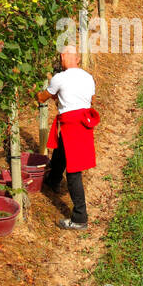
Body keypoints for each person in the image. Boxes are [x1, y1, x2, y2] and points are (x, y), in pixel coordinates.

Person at [38, 46, 99, 230]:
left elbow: (42, 97)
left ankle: (80, 218)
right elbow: (92, 100)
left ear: (64, 57)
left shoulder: (59, 78)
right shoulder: (88, 77)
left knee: (73, 173)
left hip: (71, 127)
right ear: (78, 59)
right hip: (83, 124)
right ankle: (53, 181)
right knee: (61, 152)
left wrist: (36, 93)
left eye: (61, 56)